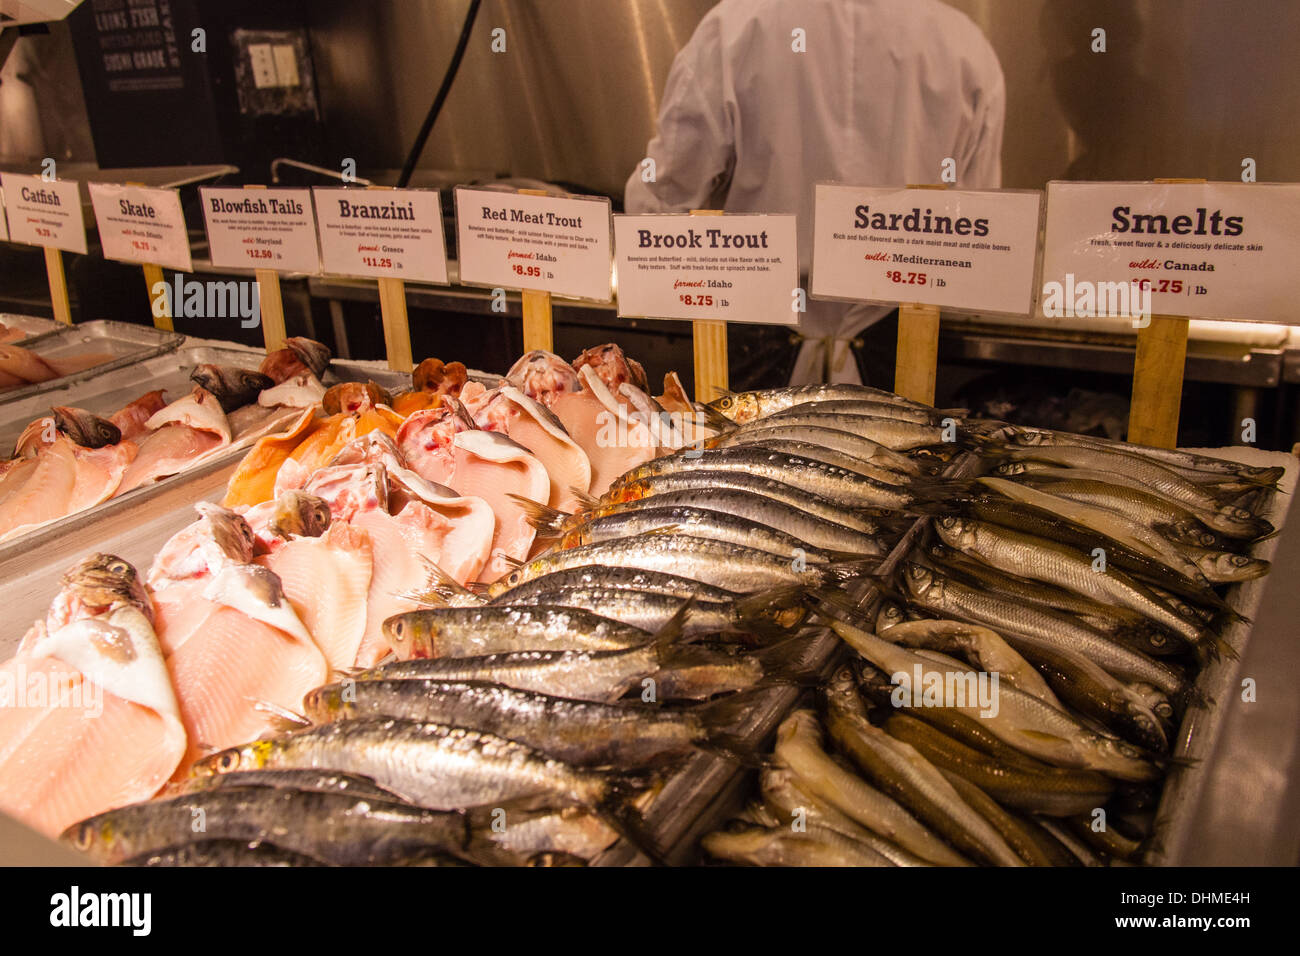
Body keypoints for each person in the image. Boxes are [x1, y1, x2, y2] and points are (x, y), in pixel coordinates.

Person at [625, 0, 1005, 386]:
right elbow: (972, 236)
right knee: (895, 450)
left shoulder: (735, 25)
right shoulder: (964, 46)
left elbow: (660, 206)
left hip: (755, 350)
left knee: (744, 449)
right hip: (901, 356)